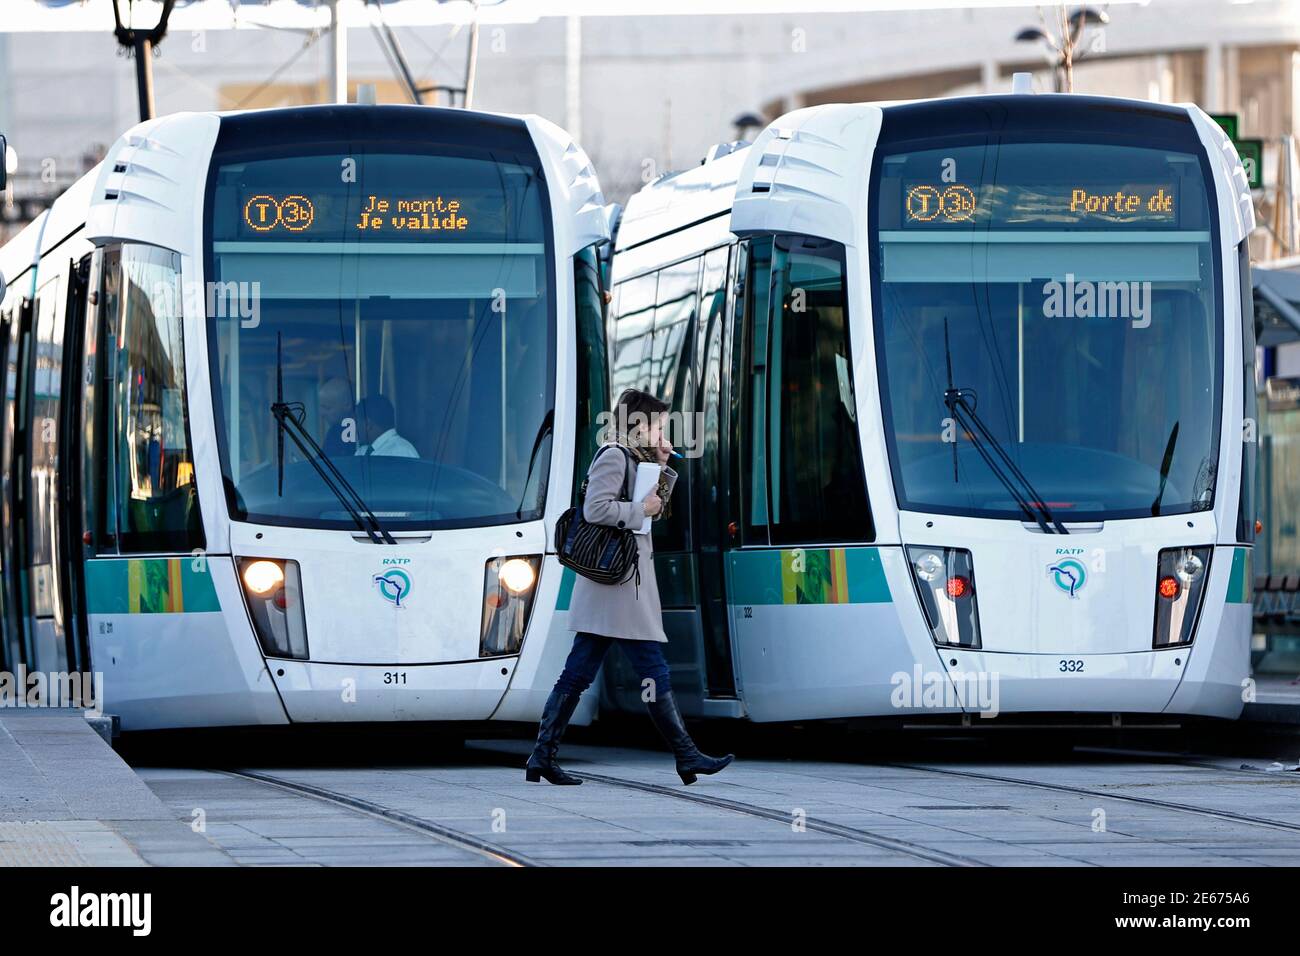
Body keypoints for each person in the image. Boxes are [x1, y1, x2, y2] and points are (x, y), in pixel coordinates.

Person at [526, 388, 734, 786]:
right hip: (616, 587)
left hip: (619, 587)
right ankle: (686, 755)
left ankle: (542, 755)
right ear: (638, 424)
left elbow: (655, 512)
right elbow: (596, 509)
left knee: (579, 673)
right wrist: (640, 509)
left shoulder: (635, 457)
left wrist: (663, 466)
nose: (661, 431)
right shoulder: (613, 455)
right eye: (657, 424)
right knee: (651, 669)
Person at [354, 394, 419, 458]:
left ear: (368, 424)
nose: (355, 428)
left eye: (357, 422)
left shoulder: (402, 452)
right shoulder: (362, 452)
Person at [318, 377, 355, 457]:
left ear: (347, 405)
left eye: (327, 408)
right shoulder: (334, 432)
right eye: (321, 407)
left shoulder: (364, 432)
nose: (322, 413)